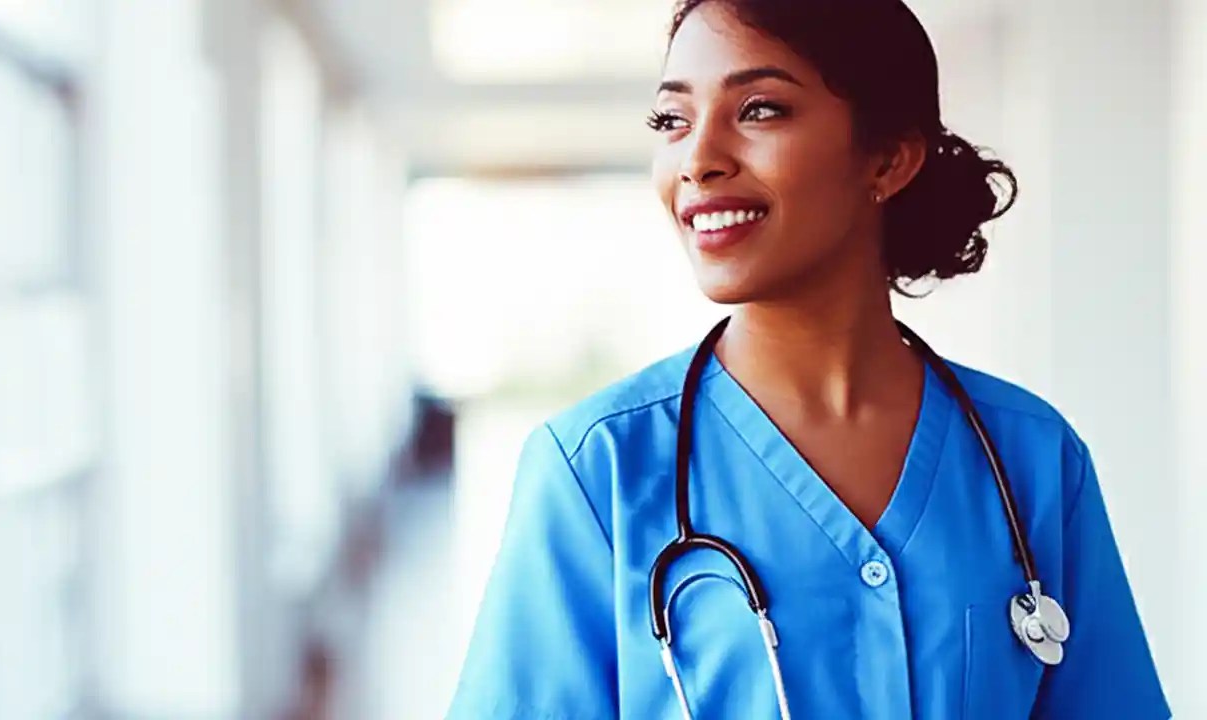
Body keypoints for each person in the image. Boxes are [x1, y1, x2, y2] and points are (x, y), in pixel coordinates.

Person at [445, 0, 1171, 717]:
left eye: (759, 110)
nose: (698, 160)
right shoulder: (597, 469)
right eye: (672, 120)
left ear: (887, 158)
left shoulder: (1032, 457)